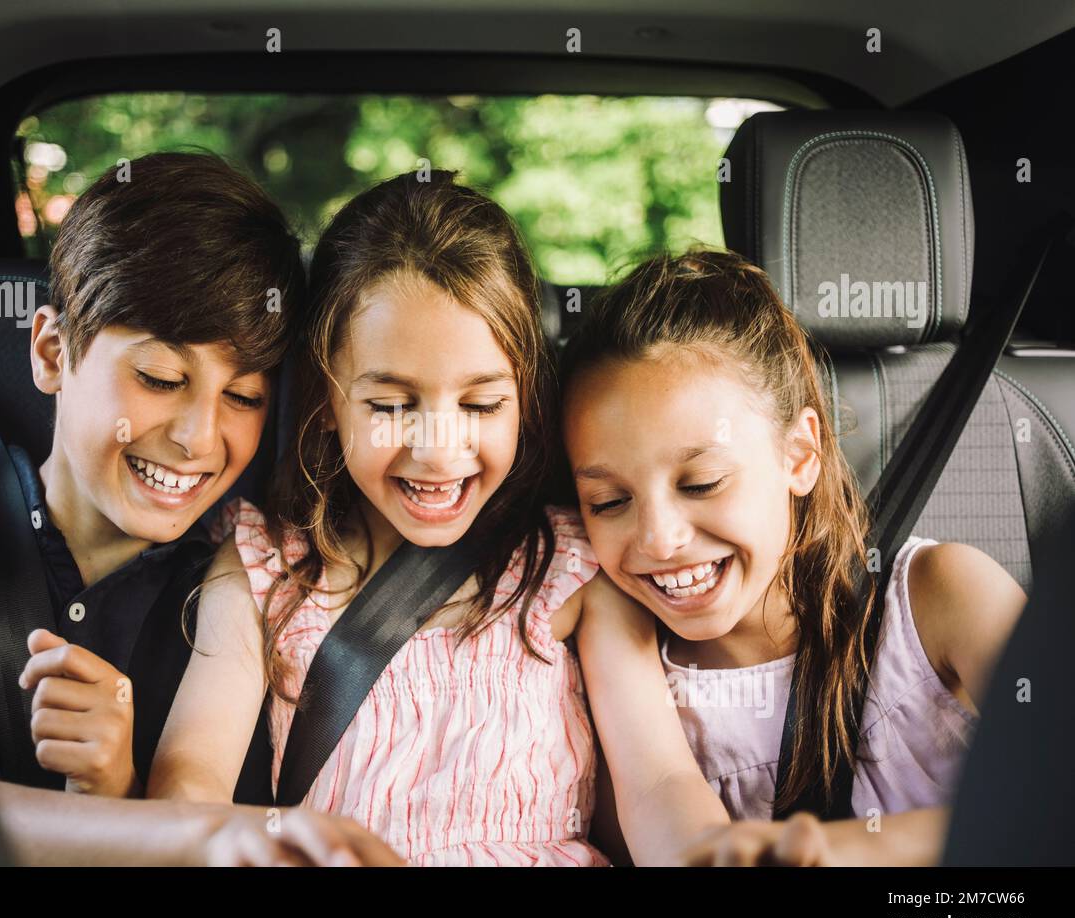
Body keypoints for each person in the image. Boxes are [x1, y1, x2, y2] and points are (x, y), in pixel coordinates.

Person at [0, 151, 399, 865]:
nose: (198, 437)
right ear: (50, 350)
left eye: (244, 397)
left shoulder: (236, 592)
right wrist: (187, 834)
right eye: (160, 377)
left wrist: (117, 791)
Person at [149, 171, 727, 865]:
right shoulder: (264, 569)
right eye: (391, 404)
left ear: (524, 398)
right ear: (329, 397)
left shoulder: (572, 569)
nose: (437, 451)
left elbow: (660, 779)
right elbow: (191, 776)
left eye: (480, 406)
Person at [560, 250, 1028, 865]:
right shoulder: (627, 660)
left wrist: (828, 851)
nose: (659, 539)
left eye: (701, 483)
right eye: (609, 500)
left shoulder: (942, 595)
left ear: (800, 455)